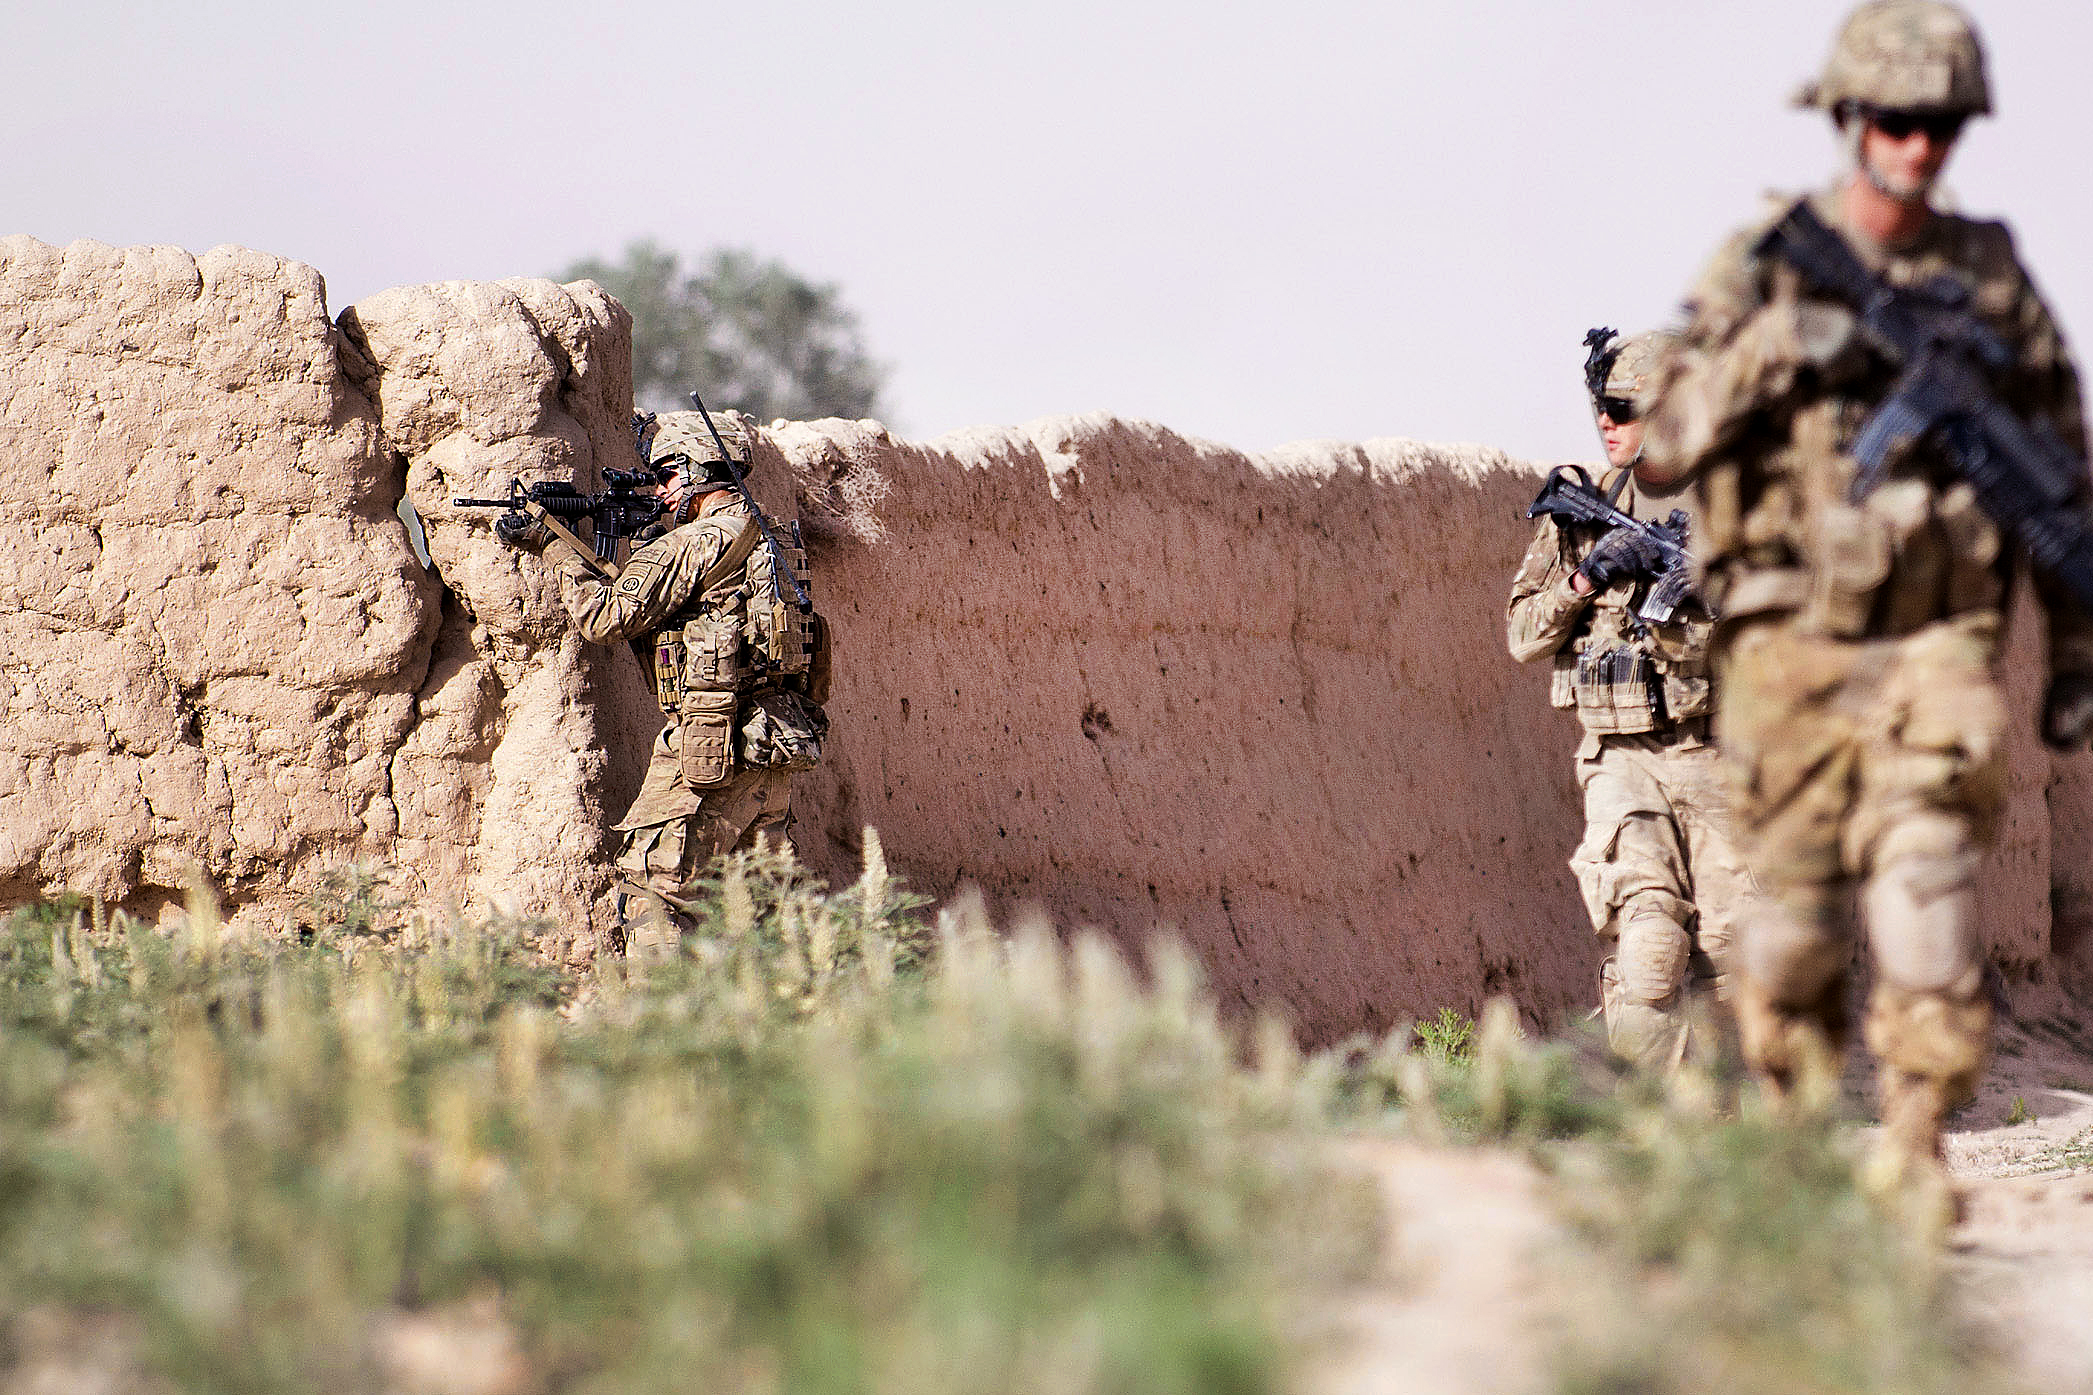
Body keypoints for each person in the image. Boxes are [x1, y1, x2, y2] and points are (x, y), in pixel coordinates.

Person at [1635, 0, 2091, 1214]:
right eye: (1895, 120)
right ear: (1848, 119)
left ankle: (1911, 1151)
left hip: (1936, 650)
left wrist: (2072, 648)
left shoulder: (1987, 276)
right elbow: (1666, 447)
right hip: (1790, 655)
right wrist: (1780, 345)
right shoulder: (1765, 264)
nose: (1918, 145)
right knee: (1784, 937)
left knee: (1927, 895)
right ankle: (1787, 1144)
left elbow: (2057, 471)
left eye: (1940, 123)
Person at [1508, 328, 1768, 1070]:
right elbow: (1521, 635)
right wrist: (1585, 579)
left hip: (1723, 753)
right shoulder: (1581, 510)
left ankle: (1722, 1134)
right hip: (1621, 761)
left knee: (1729, 960)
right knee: (1649, 946)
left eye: (1625, 407)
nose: (1606, 421)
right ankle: (1645, 1133)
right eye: (1601, 405)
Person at [498, 410, 831, 957]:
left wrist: (551, 543)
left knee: (654, 889)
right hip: (772, 745)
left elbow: (603, 617)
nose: (661, 488)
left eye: (668, 475)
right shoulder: (775, 535)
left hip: (712, 748)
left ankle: (663, 1023)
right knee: (763, 909)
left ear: (696, 473)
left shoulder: (695, 544)